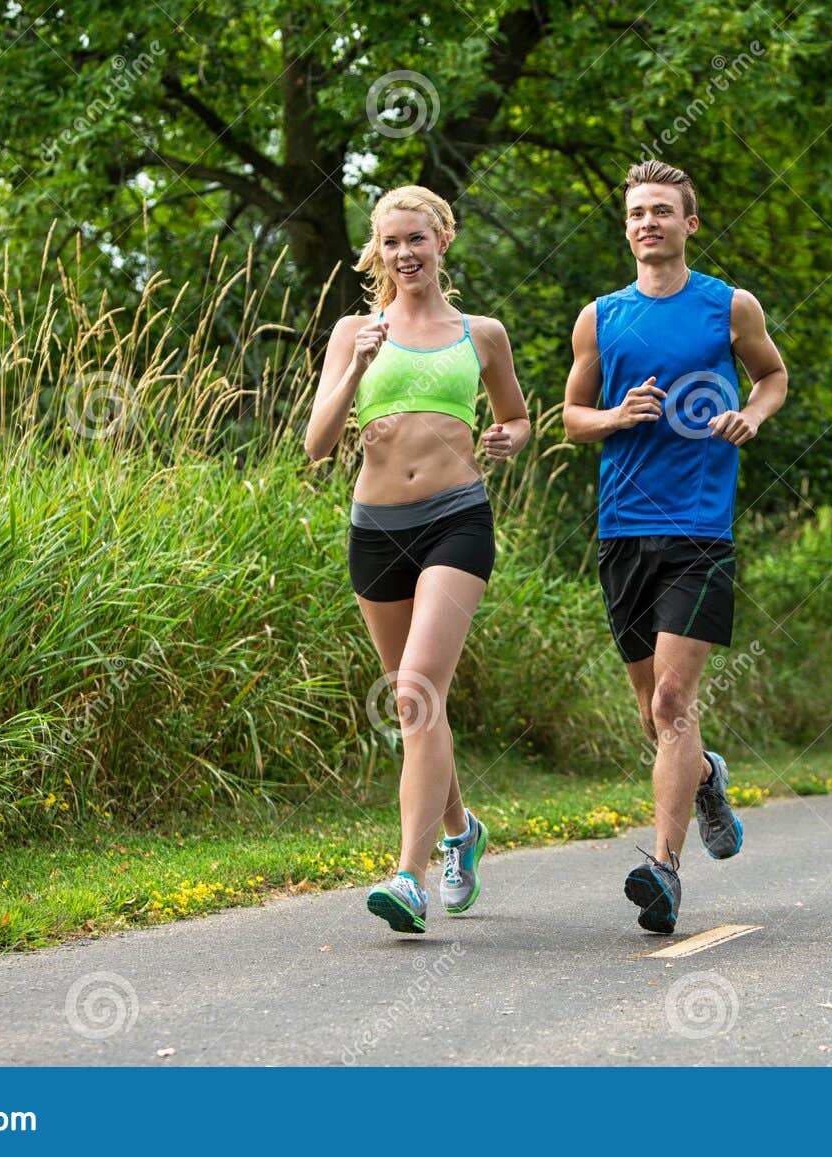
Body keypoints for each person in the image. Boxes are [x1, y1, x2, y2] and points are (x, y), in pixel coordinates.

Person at [561, 160, 789, 934]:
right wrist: (615, 415)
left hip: (701, 528)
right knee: (652, 720)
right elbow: (569, 417)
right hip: (623, 528)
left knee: (671, 700)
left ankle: (664, 868)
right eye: (636, 213)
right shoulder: (601, 317)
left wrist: (753, 417)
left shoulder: (729, 307)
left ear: (690, 223)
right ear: (626, 228)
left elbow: (773, 376)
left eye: (662, 210)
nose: (648, 222)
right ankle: (706, 778)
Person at [305, 186, 530, 934]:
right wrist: (352, 366)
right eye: (393, 241)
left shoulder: (481, 333)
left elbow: (516, 418)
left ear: (443, 241)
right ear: (378, 250)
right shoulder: (354, 331)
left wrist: (507, 439)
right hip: (376, 526)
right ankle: (462, 830)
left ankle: (409, 876)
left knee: (415, 690)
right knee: (414, 705)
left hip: (455, 520)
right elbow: (317, 443)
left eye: (419, 239)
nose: (406, 254)